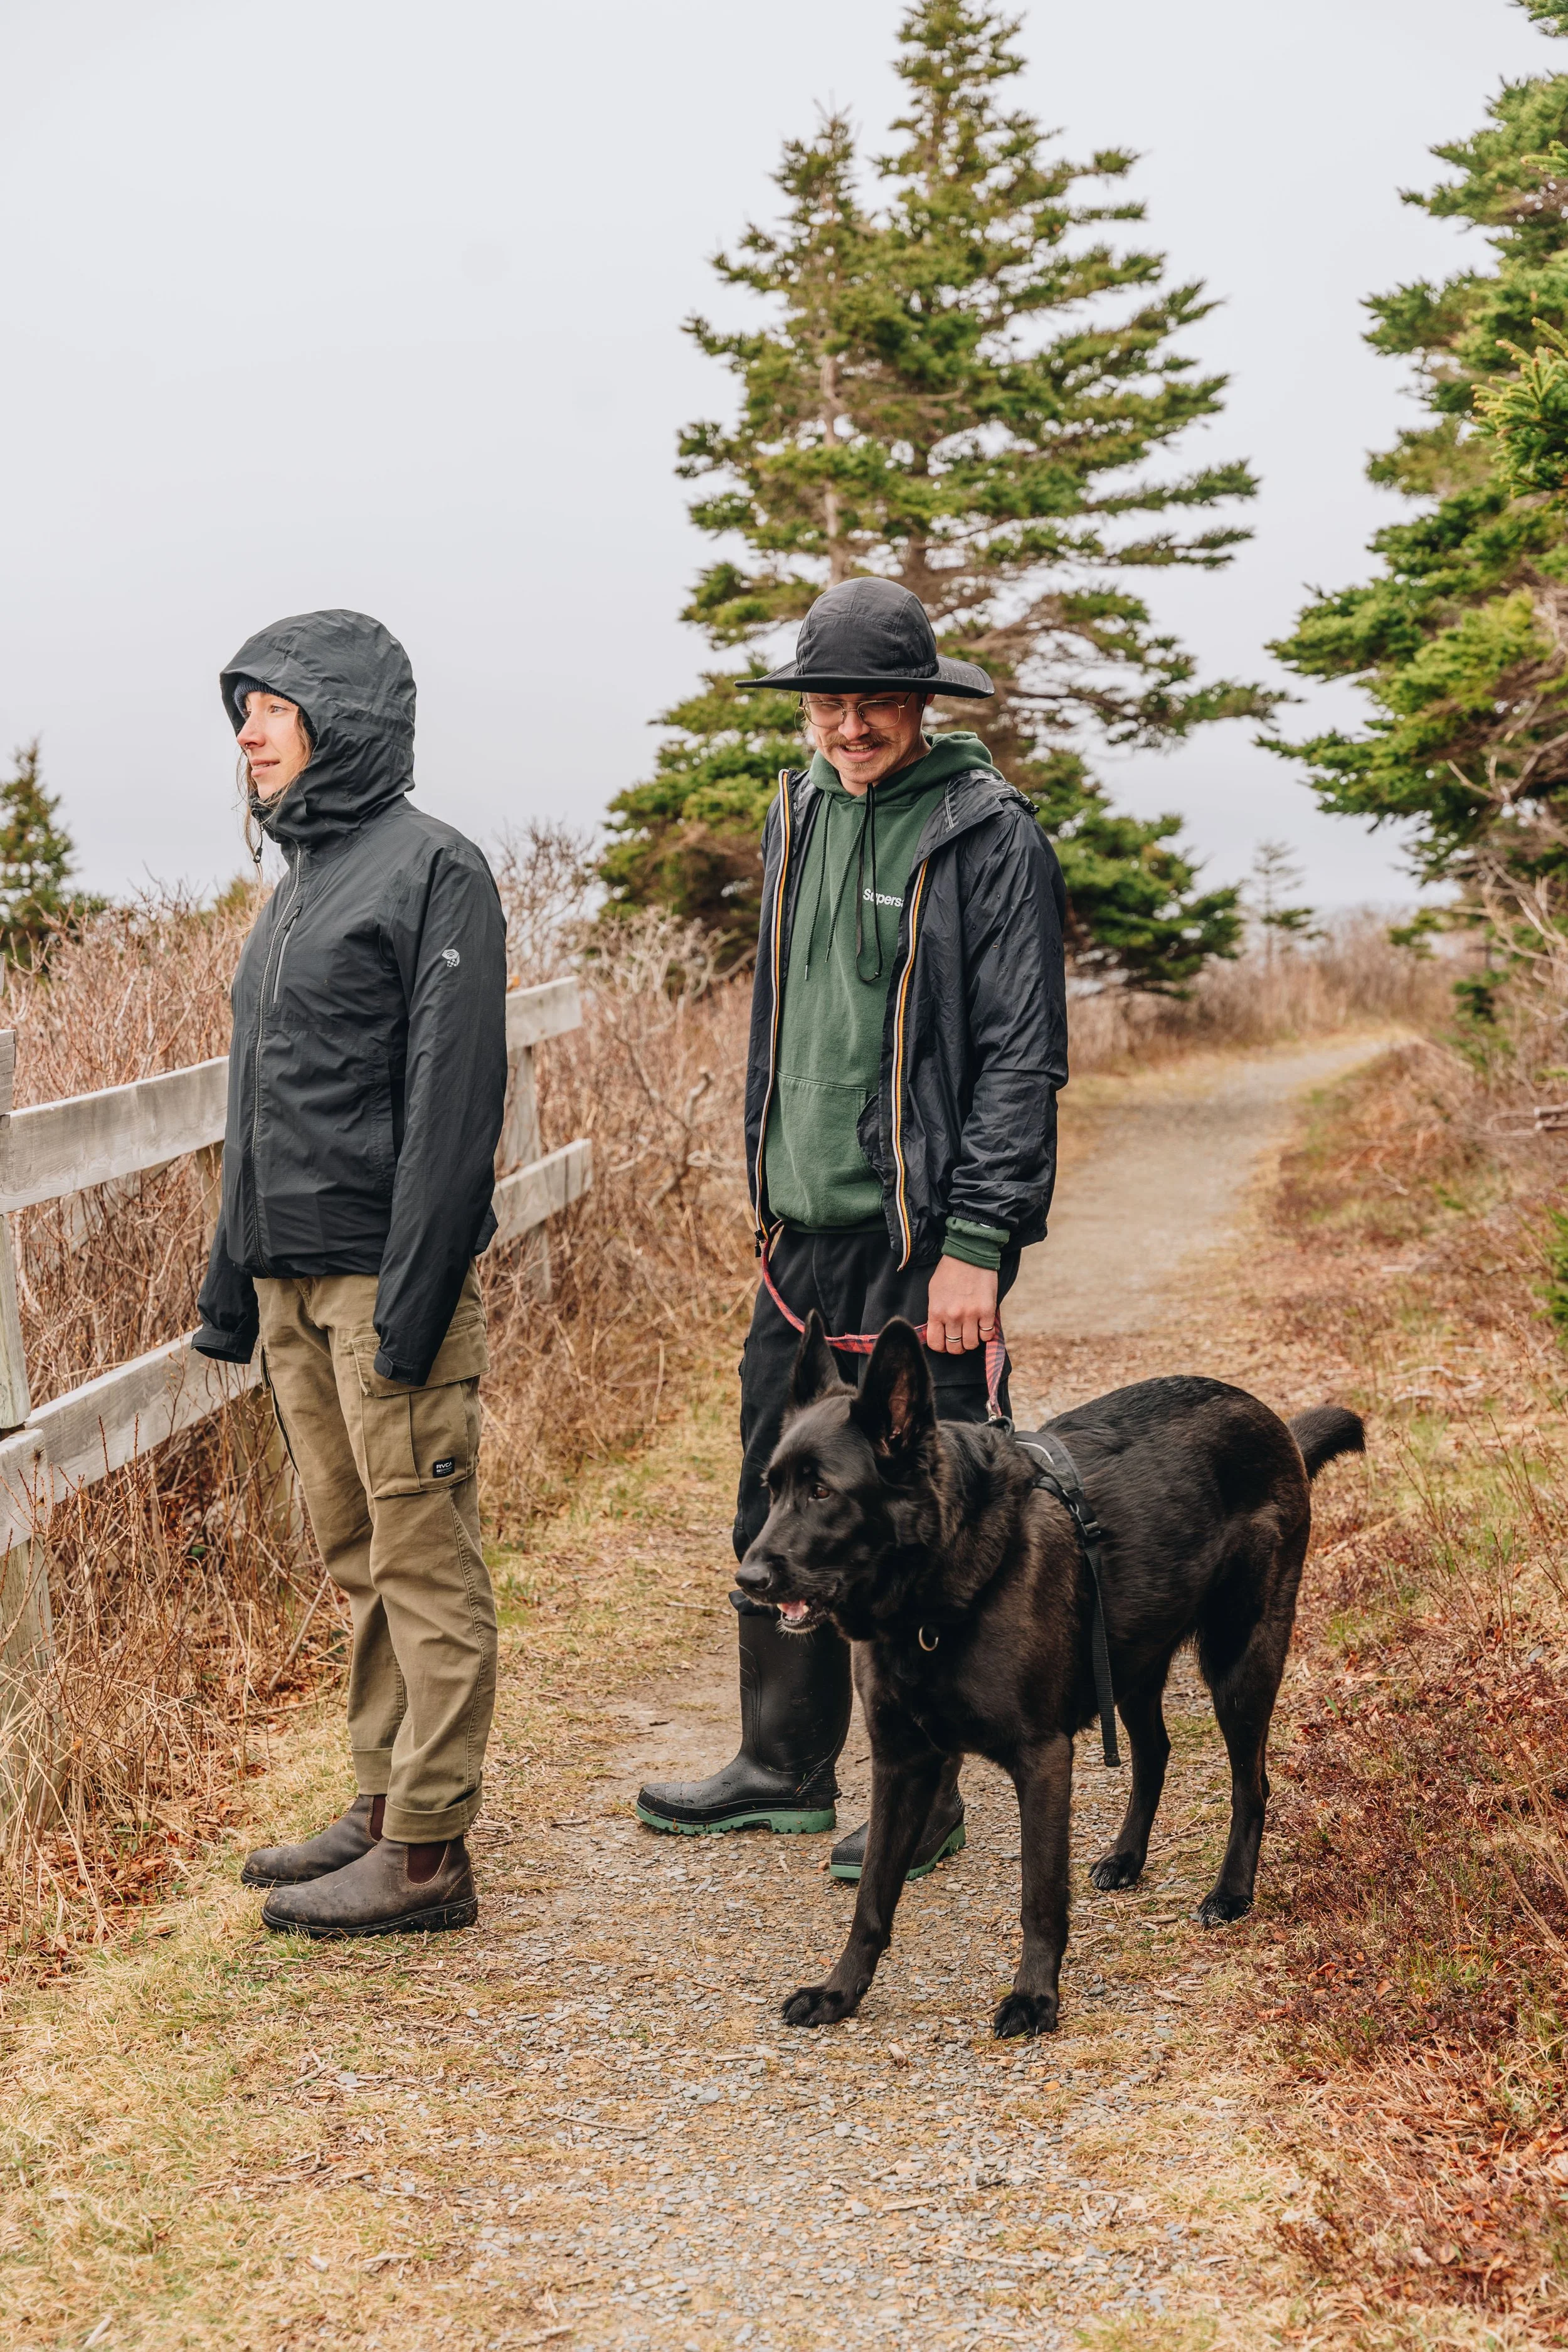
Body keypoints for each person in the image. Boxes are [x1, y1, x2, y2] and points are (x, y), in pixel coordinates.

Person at [636, 576, 1067, 1878]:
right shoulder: (793, 810)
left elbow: (1017, 1057)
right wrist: (768, 1184)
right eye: (828, 699)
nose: (848, 723)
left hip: (920, 1240)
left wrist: (978, 1240)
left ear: (920, 702)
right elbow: (787, 1013)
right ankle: (780, 1766)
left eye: (874, 698)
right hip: (800, 1233)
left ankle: (921, 1794)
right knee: (778, 1502)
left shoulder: (985, 836)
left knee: (930, 1528)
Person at [193, 608, 508, 1938]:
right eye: (241, 711)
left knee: (426, 1562)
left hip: (385, 1285)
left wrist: (413, 1298)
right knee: (358, 1555)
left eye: (270, 706)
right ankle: (381, 1804)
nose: (248, 732)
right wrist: (232, 1288)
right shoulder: (298, 882)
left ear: (340, 718)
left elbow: (452, 1106)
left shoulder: (436, 872)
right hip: (290, 1285)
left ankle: (430, 1854)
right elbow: (257, 1100)